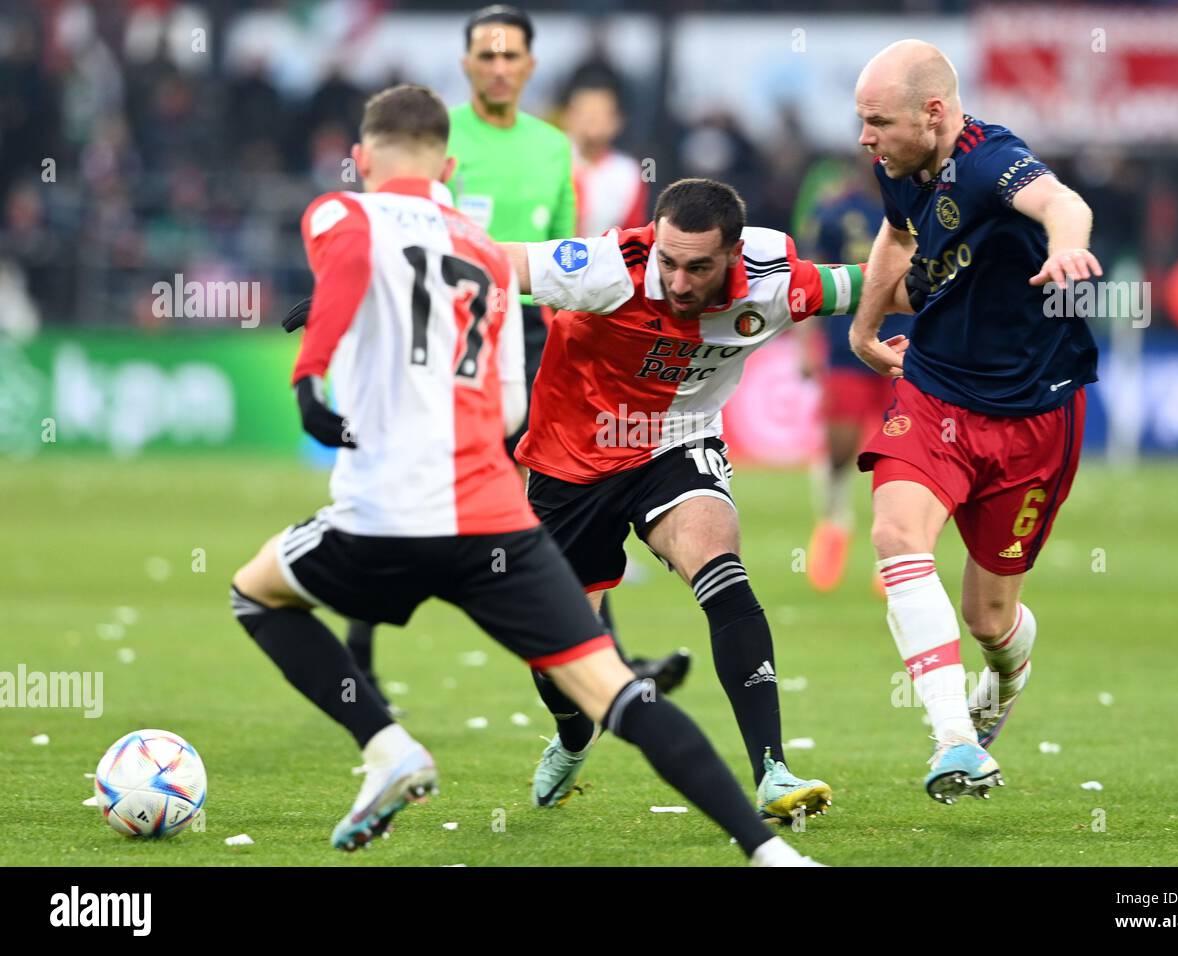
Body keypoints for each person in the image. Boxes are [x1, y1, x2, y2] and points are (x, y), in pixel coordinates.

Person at [232, 84, 817, 866]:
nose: (680, 280)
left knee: (255, 592)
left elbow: (343, 265)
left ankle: (387, 745)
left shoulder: (345, 213)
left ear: (362, 161)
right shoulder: (485, 251)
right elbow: (511, 398)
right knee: (611, 691)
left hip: (411, 502)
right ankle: (770, 854)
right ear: (449, 164)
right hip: (506, 504)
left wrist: (314, 384)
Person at [499, 177, 893, 818]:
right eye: (669, 262)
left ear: (734, 256)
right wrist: (357, 292)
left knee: (722, 570)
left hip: (676, 447)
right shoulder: (606, 267)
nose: (680, 283)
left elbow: (878, 282)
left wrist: (991, 278)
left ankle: (773, 771)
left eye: (699, 267)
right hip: (571, 461)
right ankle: (573, 736)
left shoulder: (775, 280)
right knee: (557, 654)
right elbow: (490, 261)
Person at [342, 4, 684, 706]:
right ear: (466, 63)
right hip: (445, 330)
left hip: (527, 339)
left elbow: (568, 258)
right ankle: (358, 658)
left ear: (530, 66)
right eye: (486, 56)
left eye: (511, 56)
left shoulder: (551, 148)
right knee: (408, 488)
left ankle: (608, 669)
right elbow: (387, 220)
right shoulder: (435, 138)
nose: (498, 67)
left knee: (564, 497)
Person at [849, 40, 1101, 803]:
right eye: (862, 121)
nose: (865, 137)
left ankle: (1006, 673)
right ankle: (956, 742)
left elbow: (1066, 203)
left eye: (878, 121)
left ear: (934, 114)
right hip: (935, 394)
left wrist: (1067, 254)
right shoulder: (897, 162)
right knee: (895, 535)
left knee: (989, 617)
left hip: (1032, 416)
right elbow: (896, 234)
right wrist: (863, 330)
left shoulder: (992, 163)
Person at [793, 156, 910, 592]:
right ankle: (834, 521)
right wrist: (806, 344)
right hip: (849, 347)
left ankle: (896, 546)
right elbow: (807, 277)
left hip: (910, 349)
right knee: (840, 448)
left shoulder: (930, 204)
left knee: (902, 450)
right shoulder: (835, 209)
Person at [564, 81, 649, 236]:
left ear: (617, 121)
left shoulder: (627, 173)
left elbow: (633, 233)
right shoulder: (549, 160)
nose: (593, 120)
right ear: (569, 116)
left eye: (601, 114)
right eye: (586, 113)